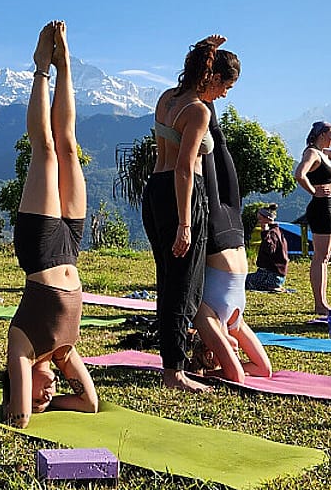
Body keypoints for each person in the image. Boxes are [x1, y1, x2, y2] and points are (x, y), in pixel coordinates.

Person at [3, 21, 98, 428]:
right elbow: (90, 404)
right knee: (69, 147)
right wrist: (59, 396)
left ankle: (41, 67)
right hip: (70, 247)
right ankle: (65, 65)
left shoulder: (21, 349)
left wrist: (29, 406)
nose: (52, 391)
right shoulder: (62, 354)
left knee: (44, 150)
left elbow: (21, 416)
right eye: (52, 396)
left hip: (39, 247)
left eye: (44, 394)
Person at [143, 36, 239, 393]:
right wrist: (185, 224)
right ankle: (174, 372)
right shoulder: (198, 110)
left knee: (168, 281)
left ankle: (171, 363)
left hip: (155, 191)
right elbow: (185, 168)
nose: (226, 94)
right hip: (181, 195)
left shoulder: (167, 98)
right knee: (184, 284)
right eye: (226, 86)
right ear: (211, 77)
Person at [190, 42, 270, 383]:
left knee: (209, 149)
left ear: (205, 349)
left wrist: (210, 372)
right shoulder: (235, 322)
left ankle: (199, 79)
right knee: (219, 144)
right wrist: (221, 363)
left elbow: (237, 373)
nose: (227, 352)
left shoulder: (203, 319)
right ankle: (202, 79)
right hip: (233, 230)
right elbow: (261, 370)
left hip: (218, 235)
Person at [294, 121, 331, 315]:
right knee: (320, 257)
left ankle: (323, 301)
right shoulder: (311, 153)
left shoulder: (324, 154)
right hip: (321, 207)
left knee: (325, 256)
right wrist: (313, 191)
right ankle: (320, 304)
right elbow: (300, 174)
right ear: (321, 135)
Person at [247, 204, 289, 291]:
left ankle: (271, 286)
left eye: (260, 219)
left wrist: (265, 232)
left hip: (272, 275)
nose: (259, 222)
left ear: (267, 219)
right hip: (276, 275)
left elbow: (269, 249)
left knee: (242, 281)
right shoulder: (278, 231)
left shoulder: (272, 233)